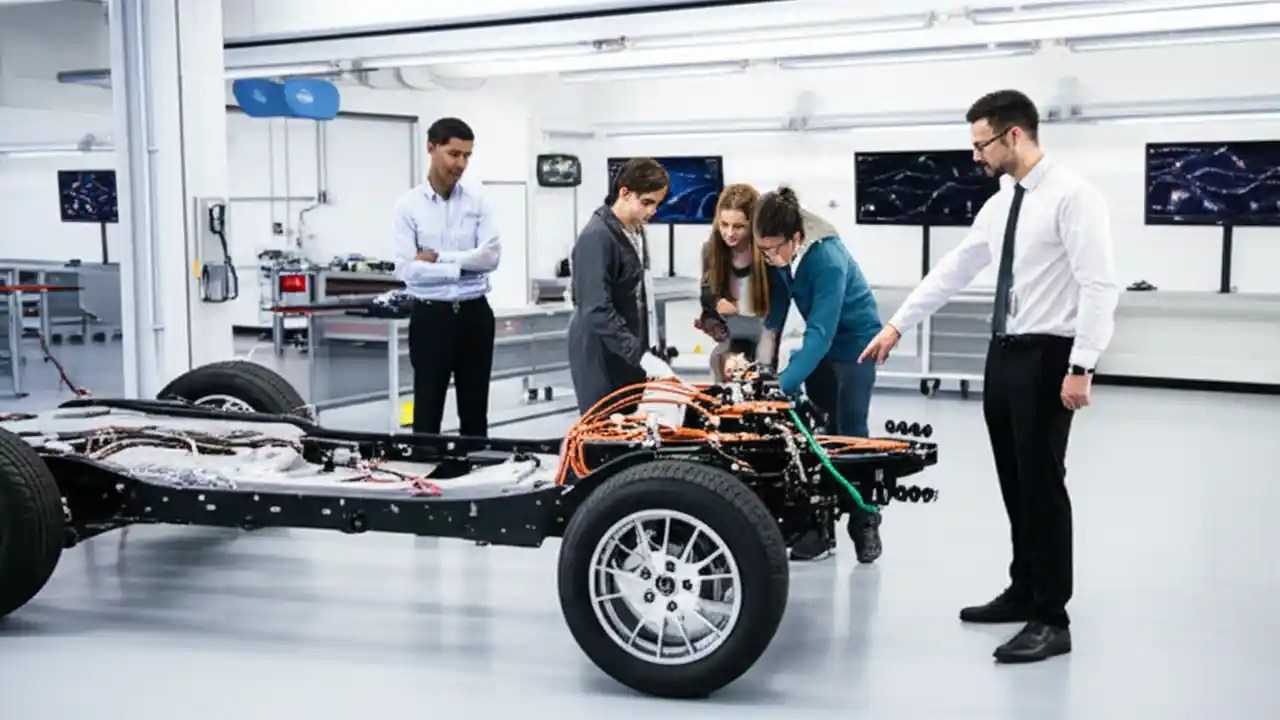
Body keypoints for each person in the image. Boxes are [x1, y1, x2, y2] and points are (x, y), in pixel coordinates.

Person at [859, 89, 1119, 663]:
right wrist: (900, 323)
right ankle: (1024, 587)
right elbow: (958, 266)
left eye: (981, 144)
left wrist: (1083, 365)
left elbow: (1100, 284)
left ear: (1014, 136)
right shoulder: (1003, 202)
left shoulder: (1074, 198)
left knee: (1043, 484)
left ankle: (1053, 617)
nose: (975, 156)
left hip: (1049, 355)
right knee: (1013, 479)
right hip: (1003, 352)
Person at [752, 186, 885, 563]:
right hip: (821, 348)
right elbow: (775, 316)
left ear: (796, 238)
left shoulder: (826, 257)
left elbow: (822, 334)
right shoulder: (777, 251)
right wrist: (764, 369)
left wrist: (782, 385)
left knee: (851, 436)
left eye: (775, 249)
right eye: (763, 250)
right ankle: (818, 532)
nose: (770, 257)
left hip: (856, 345)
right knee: (814, 437)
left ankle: (865, 522)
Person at [391, 117, 501, 437]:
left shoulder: (478, 203)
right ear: (431, 148)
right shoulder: (408, 206)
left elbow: (491, 257)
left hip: (475, 313)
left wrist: (439, 259)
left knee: (475, 406)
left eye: (467, 155)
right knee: (428, 405)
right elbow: (407, 269)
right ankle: (423, 470)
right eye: (454, 154)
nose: (461, 163)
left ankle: (477, 470)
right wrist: (464, 265)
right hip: (431, 316)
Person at [567, 157, 671, 415]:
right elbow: (596, 309)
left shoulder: (634, 230)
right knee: (603, 430)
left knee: (631, 427)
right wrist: (638, 355)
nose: (652, 212)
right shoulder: (597, 237)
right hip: (600, 349)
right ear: (624, 193)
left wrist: (646, 350)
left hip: (626, 346)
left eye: (656, 205)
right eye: (647, 203)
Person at [694, 183, 776, 381]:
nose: (729, 233)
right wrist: (712, 323)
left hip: (767, 343)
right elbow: (708, 304)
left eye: (739, 227)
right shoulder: (711, 251)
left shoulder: (769, 254)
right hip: (729, 347)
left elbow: (777, 313)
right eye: (724, 225)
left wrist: (739, 308)